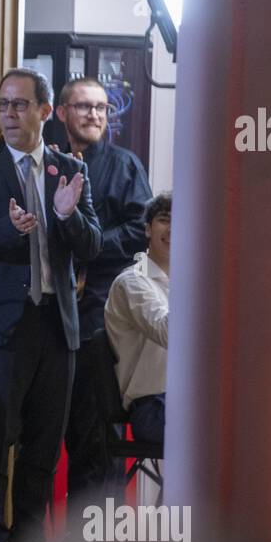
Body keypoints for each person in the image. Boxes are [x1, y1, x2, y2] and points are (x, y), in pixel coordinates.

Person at [0, 68, 101, 542]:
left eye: (20, 105)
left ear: (43, 111)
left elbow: (93, 245)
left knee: (42, 447)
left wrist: (66, 217)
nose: (9, 114)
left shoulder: (68, 169)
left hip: (56, 329)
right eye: (3, 104)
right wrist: (7, 230)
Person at [50, 77, 152, 521]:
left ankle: (94, 538)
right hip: (52, 312)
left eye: (102, 108)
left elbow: (140, 232)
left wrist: (88, 242)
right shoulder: (48, 164)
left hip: (101, 314)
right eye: (84, 107)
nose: (94, 115)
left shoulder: (125, 165)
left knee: (97, 431)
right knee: (55, 428)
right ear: (60, 113)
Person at [104, 191, 170, 449]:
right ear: (147, 230)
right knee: (233, 432)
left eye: (182, 221)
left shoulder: (189, 281)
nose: (173, 229)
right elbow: (167, 332)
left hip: (192, 402)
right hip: (152, 407)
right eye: (165, 220)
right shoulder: (132, 281)